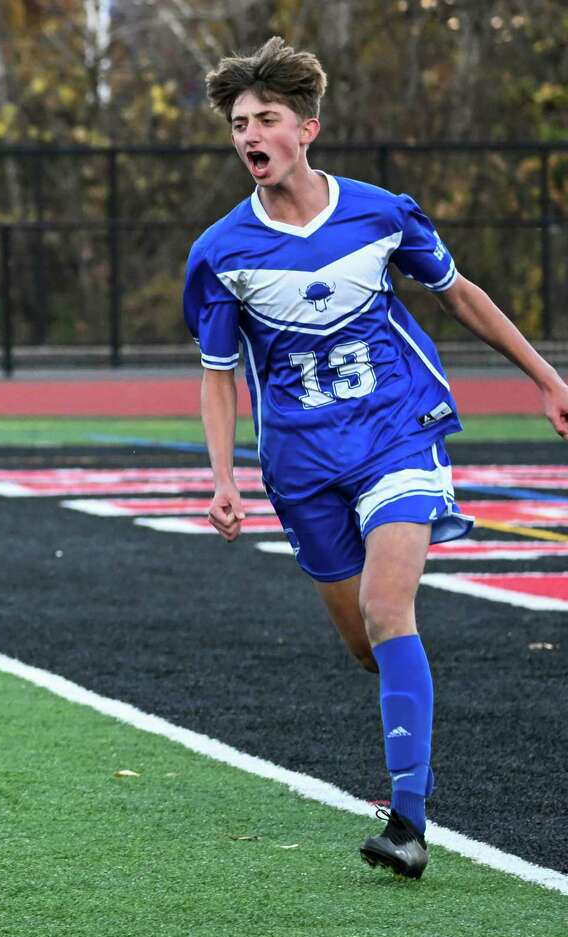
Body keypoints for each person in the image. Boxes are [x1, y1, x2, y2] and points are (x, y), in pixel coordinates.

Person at [184, 38, 568, 880]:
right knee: (367, 643)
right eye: (239, 123)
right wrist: (222, 479)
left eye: (266, 119)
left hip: (397, 433)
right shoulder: (219, 253)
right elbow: (217, 376)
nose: (250, 135)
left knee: (390, 610)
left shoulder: (381, 213)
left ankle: (408, 824)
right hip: (301, 465)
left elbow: (459, 295)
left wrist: (546, 377)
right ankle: (408, 705)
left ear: (307, 129)